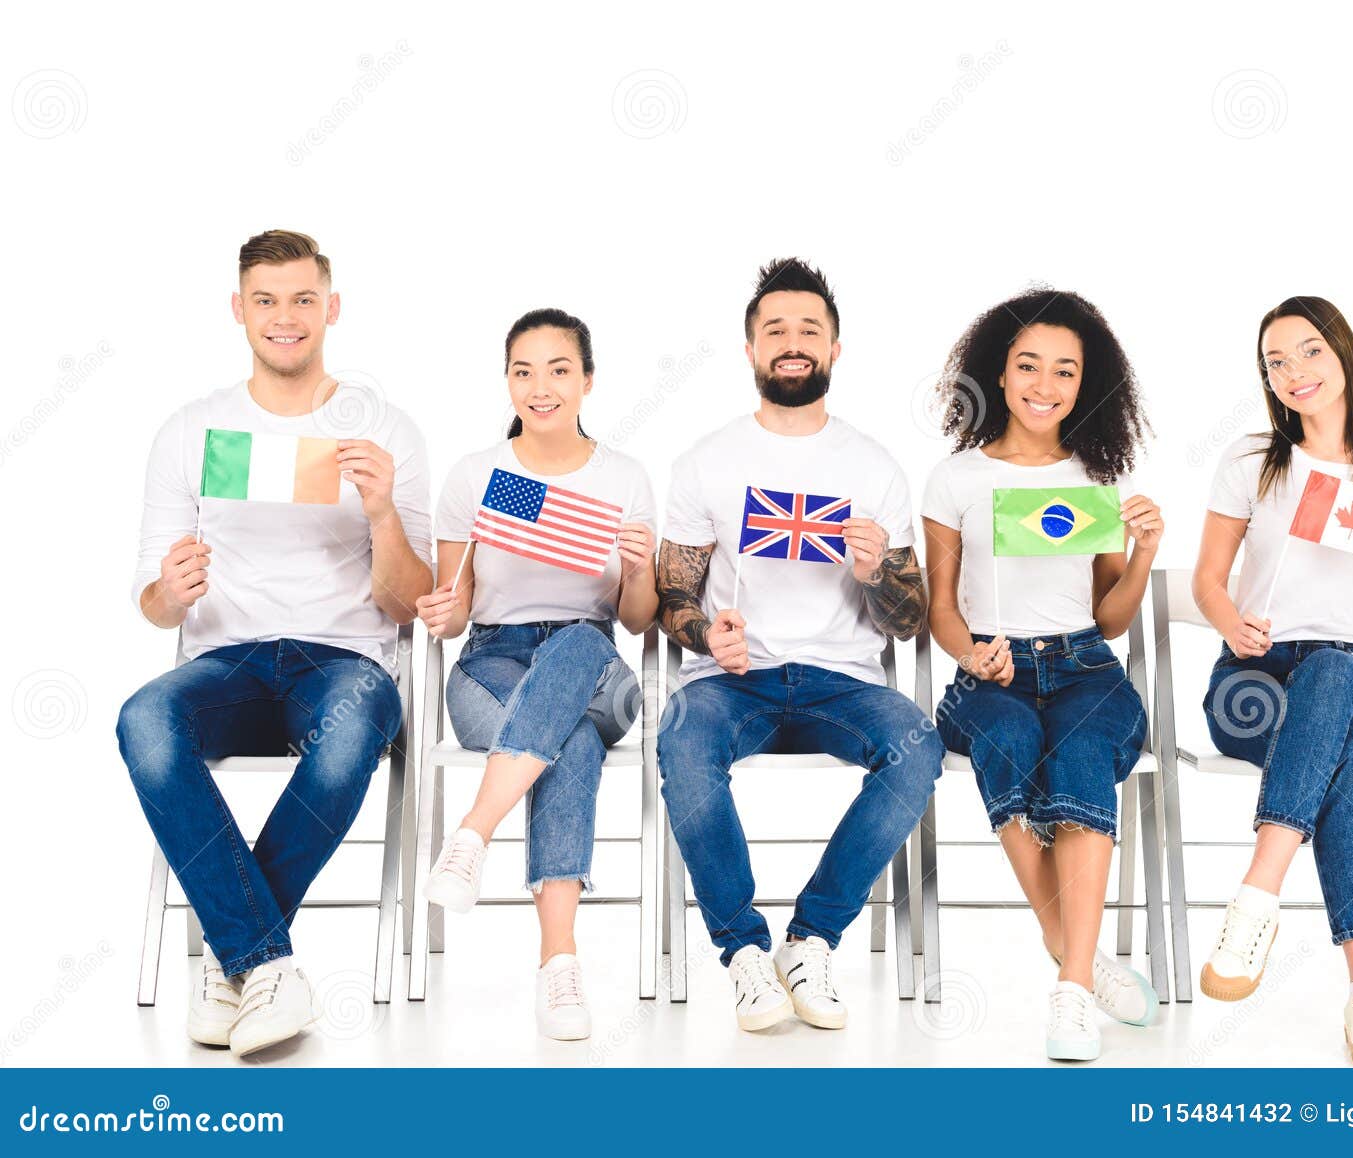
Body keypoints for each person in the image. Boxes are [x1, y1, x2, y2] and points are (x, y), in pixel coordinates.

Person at [116, 230, 433, 1056]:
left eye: (301, 300)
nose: (284, 318)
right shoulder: (190, 430)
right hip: (226, 664)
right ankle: (264, 963)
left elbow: (408, 604)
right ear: (238, 310)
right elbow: (153, 606)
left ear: (331, 308)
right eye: (265, 300)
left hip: (345, 665)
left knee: (358, 725)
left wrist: (382, 514)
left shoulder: (386, 428)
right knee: (144, 720)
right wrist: (168, 590)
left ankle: (237, 963)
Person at [655, 258, 940, 1032]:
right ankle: (744, 954)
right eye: (774, 329)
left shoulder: (873, 465)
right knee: (681, 740)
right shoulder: (706, 461)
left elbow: (909, 621)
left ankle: (811, 939)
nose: (792, 342)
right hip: (732, 678)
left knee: (918, 746)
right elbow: (671, 597)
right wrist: (704, 630)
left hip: (842, 681)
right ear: (750, 349)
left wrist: (880, 571)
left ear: (835, 349)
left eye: (809, 329)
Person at [1193, 296, 1353, 1068]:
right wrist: (1231, 622)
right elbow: (1208, 579)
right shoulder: (1249, 460)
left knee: (1335, 677)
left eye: (1309, 352)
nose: (1294, 373)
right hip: (1254, 680)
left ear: (1343, 354)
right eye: (1276, 362)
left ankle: (1257, 892)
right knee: (1344, 767)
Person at [925, 288, 1162, 1061]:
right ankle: (1084, 962)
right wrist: (971, 654)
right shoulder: (956, 479)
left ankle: (1069, 991)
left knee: (1084, 755)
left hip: (1085, 666)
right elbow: (941, 609)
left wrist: (1145, 555)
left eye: (1065, 371)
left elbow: (1114, 616)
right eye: (1028, 365)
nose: (1044, 384)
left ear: (1084, 385)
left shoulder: (1094, 477)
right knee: (1010, 740)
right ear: (998, 374)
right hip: (990, 674)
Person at [416, 308, 657, 1041]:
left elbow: (639, 621)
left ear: (587, 380)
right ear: (508, 381)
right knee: (571, 746)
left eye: (558, 370)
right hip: (490, 661)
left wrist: (641, 567)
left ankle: (473, 833)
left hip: (595, 665)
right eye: (524, 371)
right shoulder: (481, 475)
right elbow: (456, 610)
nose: (540, 387)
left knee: (582, 642)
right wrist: (442, 608)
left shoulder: (622, 478)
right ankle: (560, 964)